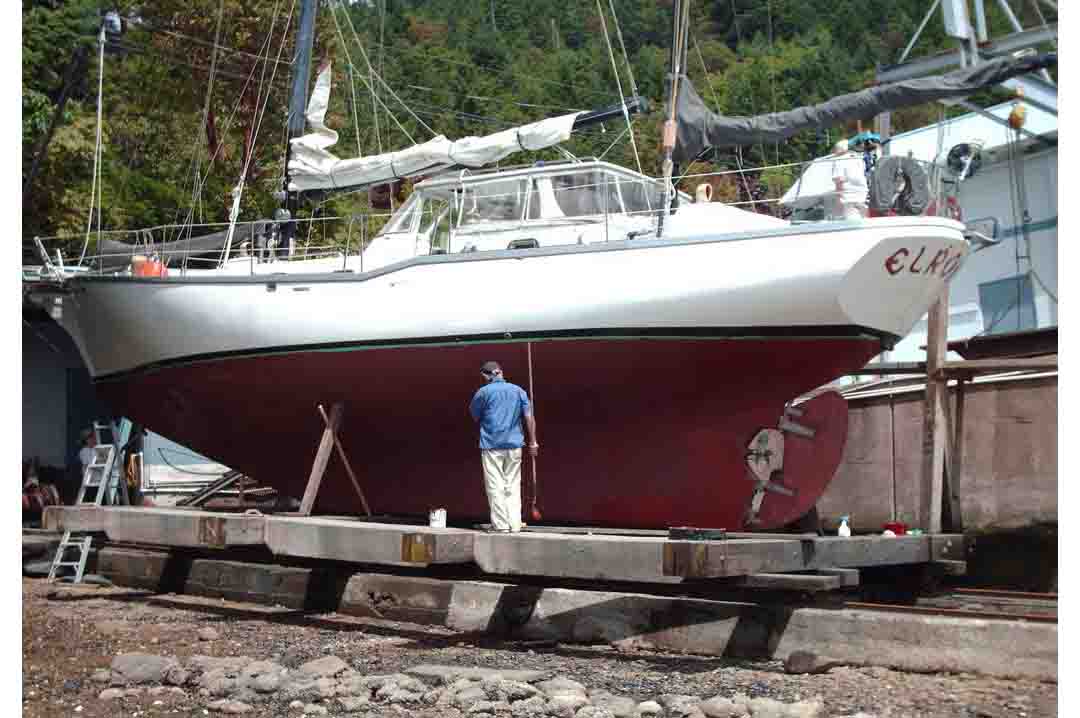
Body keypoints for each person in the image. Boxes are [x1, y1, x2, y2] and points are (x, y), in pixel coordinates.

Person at [469, 361, 539, 533]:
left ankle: (501, 526)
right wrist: (533, 442)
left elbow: (474, 415)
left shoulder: (483, 392)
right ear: (500, 372)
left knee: (495, 485)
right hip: (514, 444)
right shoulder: (518, 390)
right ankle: (515, 524)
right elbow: (529, 417)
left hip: (492, 445)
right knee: (513, 484)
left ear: (486, 375)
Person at [829, 140, 867, 220]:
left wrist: (839, 198)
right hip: (862, 196)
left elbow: (839, 180)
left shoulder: (839, 161)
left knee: (852, 223)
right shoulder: (857, 159)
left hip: (849, 198)